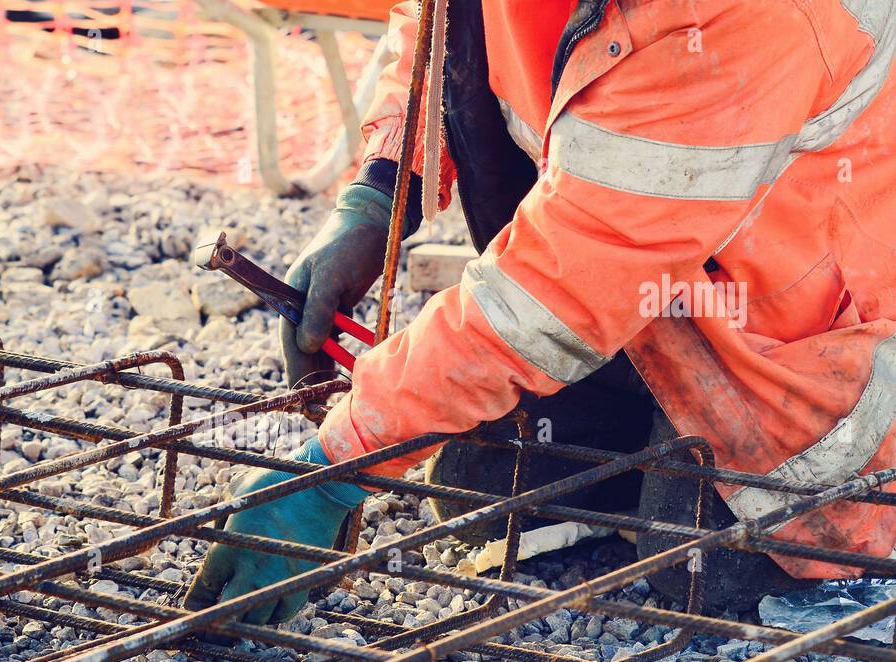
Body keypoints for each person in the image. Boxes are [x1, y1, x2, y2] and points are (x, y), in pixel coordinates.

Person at [186, 0, 896, 623]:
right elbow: (445, 27)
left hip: (797, 334)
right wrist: (381, 190)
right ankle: (641, 440)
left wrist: (337, 462)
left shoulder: (732, 18)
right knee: (481, 488)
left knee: (713, 573)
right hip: (652, 283)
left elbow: (568, 276)